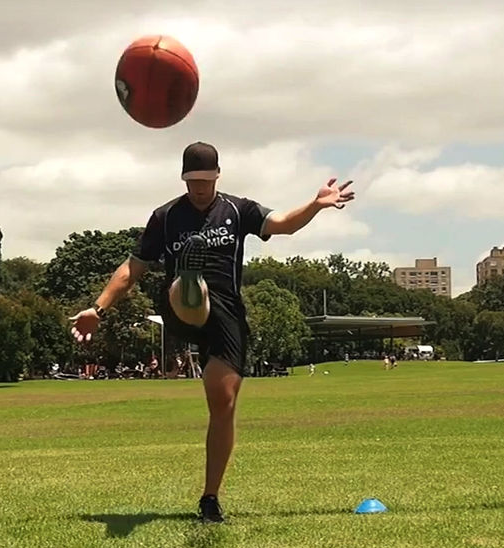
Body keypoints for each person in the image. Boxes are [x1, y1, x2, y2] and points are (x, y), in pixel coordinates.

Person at [69, 141, 355, 523]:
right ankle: (189, 277)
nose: (199, 188)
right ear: (183, 179)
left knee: (223, 404)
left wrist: (316, 204)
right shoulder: (166, 217)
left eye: (205, 180)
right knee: (186, 291)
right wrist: (99, 309)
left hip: (227, 314)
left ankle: (210, 497)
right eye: (192, 181)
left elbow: (283, 223)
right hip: (179, 305)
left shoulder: (239, 210)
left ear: (217, 176)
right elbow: (131, 270)